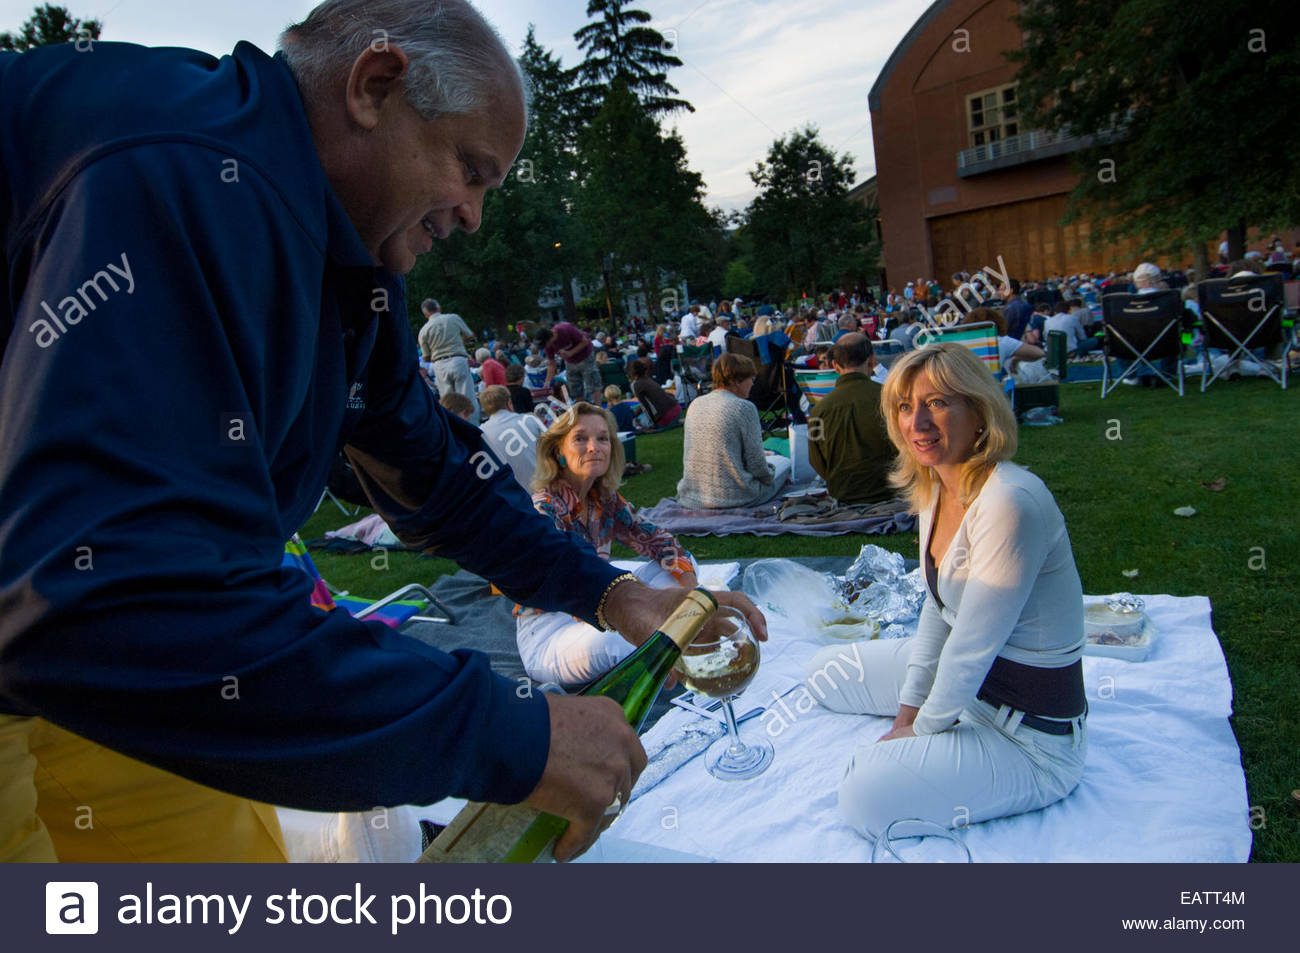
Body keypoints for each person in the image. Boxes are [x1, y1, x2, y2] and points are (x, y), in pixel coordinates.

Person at [0, 0, 766, 865]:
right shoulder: (185, 178)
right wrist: (506, 733)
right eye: (470, 170)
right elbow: (108, 596)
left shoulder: (345, 264)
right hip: (59, 639)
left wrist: (615, 595)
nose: (475, 215)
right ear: (374, 86)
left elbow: (433, 474)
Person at [806, 343, 1087, 840]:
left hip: (1030, 737)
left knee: (862, 794)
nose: (918, 423)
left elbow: (970, 648)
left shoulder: (1010, 501)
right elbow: (939, 611)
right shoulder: (936, 488)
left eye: (937, 403)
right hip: (971, 690)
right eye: (905, 406)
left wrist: (920, 733)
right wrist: (910, 711)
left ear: (979, 411)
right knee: (824, 674)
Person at [516, 403, 707, 686]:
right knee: (620, 641)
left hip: (606, 604)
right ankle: (680, 643)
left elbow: (659, 541)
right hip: (551, 629)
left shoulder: (604, 500)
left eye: (602, 438)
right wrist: (638, 610)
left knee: (682, 564)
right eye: (581, 438)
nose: (595, 447)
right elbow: (564, 583)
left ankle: (678, 629)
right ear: (558, 452)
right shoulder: (545, 508)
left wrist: (691, 593)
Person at [677, 354, 791, 508]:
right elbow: (757, 465)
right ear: (736, 381)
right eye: (750, 379)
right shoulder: (744, 408)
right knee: (783, 463)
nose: (752, 384)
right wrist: (770, 476)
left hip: (693, 494)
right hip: (735, 496)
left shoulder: (695, 404)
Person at [807, 335, 897, 505]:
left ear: (834, 366)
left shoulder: (818, 411)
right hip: (890, 490)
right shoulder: (889, 398)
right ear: (871, 360)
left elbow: (816, 460)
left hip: (843, 492)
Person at [418, 299, 477, 411]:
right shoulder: (453, 318)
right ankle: (472, 425)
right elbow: (470, 336)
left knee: (448, 401)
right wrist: (459, 342)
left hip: (439, 364)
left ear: (425, 314)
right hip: (458, 359)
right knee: (467, 398)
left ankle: (453, 426)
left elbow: (426, 357)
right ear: (439, 308)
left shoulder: (423, 331)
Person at [479, 385, 542, 488]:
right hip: (542, 487)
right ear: (509, 403)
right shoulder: (529, 420)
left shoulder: (482, 433)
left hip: (512, 494)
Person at [537, 322, 601, 402]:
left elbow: (585, 341)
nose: (545, 347)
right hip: (570, 361)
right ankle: (581, 408)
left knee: (592, 383)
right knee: (574, 387)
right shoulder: (547, 346)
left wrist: (570, 353)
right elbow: (551, 364)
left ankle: (598, 408)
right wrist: (547, 384)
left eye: (545, 344)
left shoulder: (565, 329)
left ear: (549, 338)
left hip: (585, 356)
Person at [627, 357, 681, 428]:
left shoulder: (636, 385)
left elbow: (645, 406)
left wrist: (652, 425)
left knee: (639, 420)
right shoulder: (647, 379)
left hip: (666, 417)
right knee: (636, 411)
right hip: (676, 409)